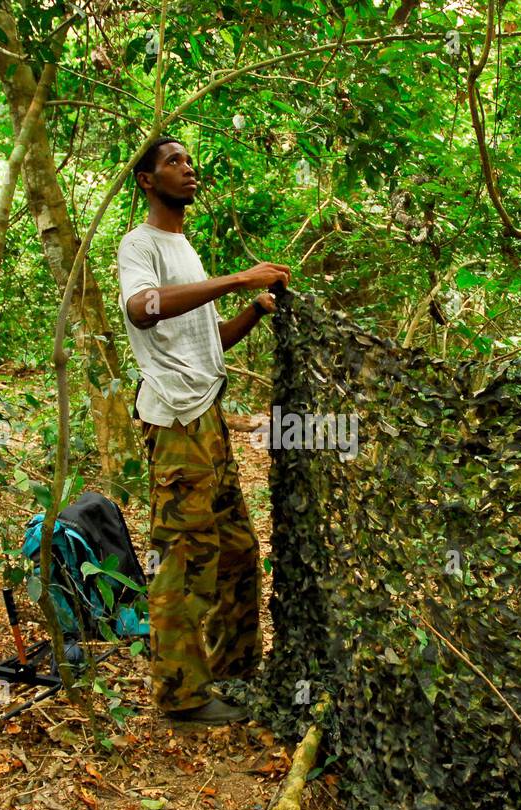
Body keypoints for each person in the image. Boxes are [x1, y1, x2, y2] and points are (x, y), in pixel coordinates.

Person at [116, 136, 290, 725]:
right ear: (146, 180)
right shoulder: (139, 245)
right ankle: (181, 698)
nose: (188, 170)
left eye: (190, 160)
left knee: (239, 551)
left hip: (208, 416)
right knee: (184, 561)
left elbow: (205, 339)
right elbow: (144, 309)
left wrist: (252, 311)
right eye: (173, 162)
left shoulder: (183, 247)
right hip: (175, 422)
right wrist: (236, 280)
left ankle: (233, 672)